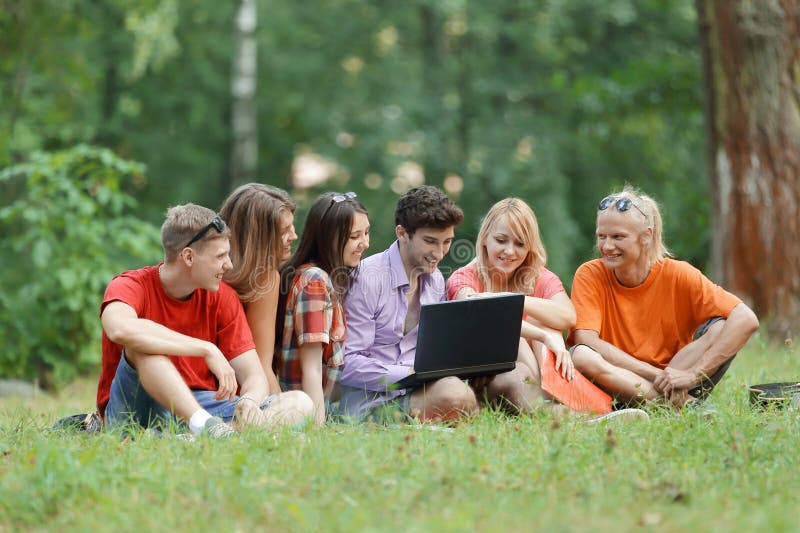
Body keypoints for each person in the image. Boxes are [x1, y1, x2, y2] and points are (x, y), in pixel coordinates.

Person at [97, 204, 313, 437]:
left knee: (299, 403)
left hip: (206, 404)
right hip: (137, 409)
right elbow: (119, 329)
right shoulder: (131, 285)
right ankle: (208, 428)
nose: (228, 265)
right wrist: (206, 348)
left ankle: (194, 437)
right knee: (142, 347)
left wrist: (250, 400)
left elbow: (253, 374)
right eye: (220, 256)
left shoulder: (223, 297)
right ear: (188, 256)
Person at [339, 186, 544, 422]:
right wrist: (410, 375)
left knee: (518, 374)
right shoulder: (366, 279)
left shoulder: (435, 279)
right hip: (377, 398)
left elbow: (440, 348)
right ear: (402, 233)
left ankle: (554, 421)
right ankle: (483, 424)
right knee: (453, 393)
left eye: (447, 242)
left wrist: (471, 367)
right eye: (430, 241)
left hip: (426, 386)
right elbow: (348, 363)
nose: (439, 253)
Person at [570, 186, 760, 408]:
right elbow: (587, 340)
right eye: (601, 236)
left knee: (722, 327)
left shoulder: (679, 273)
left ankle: (673, 400)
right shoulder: (589, 274)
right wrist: (656, 375)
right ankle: (671, 404)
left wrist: (691, 376)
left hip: (680, 378)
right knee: (582, 354)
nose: (607, 246)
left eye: (618, 237)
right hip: (617, 383)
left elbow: (747, 319)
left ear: (646, 236)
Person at [446, 197, 591, 410]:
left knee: (541, 319)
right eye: (501, 240)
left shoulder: (535, 276)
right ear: (485, 237)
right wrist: (542, 335)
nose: (510, 251)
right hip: (483, 381)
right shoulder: (462, 279)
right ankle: (558, 410)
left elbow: (567, 316)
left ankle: (554, 399)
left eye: (520, 244)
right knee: (517, 331)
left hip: (527, 377)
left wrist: (517, 301)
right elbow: (481, 315)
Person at [275, 192, 370, 424]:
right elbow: (312, 369)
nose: (365, 244)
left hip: (328, 406)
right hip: (302, 410)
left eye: (366, 233)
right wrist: (316, 428)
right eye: (355, 236)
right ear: (328, 238)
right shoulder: (315, 281)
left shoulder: (329, 278)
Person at [220, 183, 298, 395]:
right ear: (258, 237)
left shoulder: (207, 267)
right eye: (284, 231)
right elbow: (261, 365)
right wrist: (280, 407)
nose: (294, 236)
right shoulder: (264, 279)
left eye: (292, 227)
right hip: (236, 393)